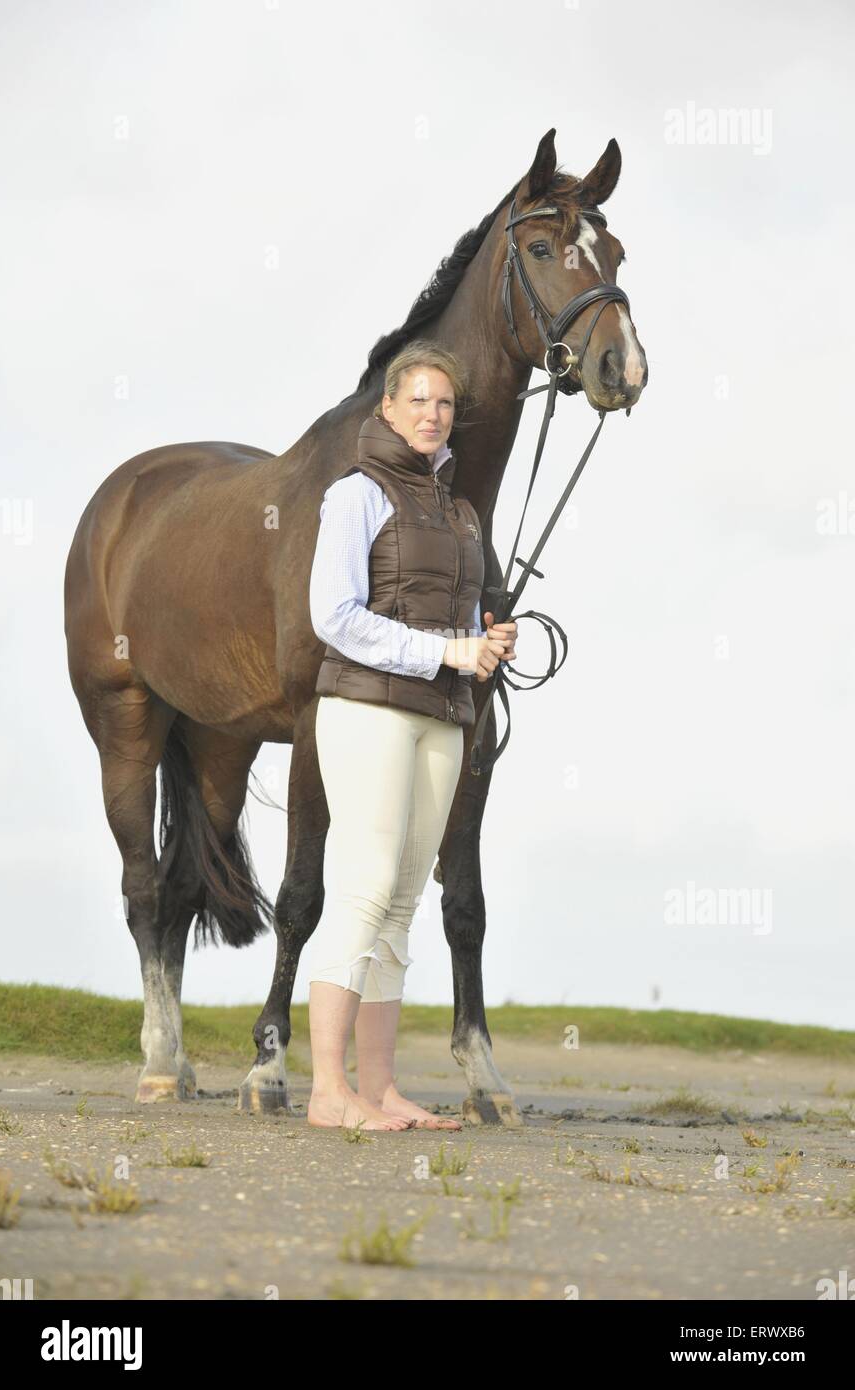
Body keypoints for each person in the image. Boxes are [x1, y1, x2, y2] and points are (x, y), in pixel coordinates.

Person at [307, 340, 518, 1130]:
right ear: (389, 409)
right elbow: (334, 617)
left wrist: (484, 642)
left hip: (441, 715)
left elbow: (452, 621)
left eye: (445, 403)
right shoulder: (354, 495)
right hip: (368, 710)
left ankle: (379, 1089)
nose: (433, 414)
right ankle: (327, 1093)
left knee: (399, 903)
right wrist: (445, 652)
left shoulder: (460, 513)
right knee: (362, 890)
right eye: (418, 400)